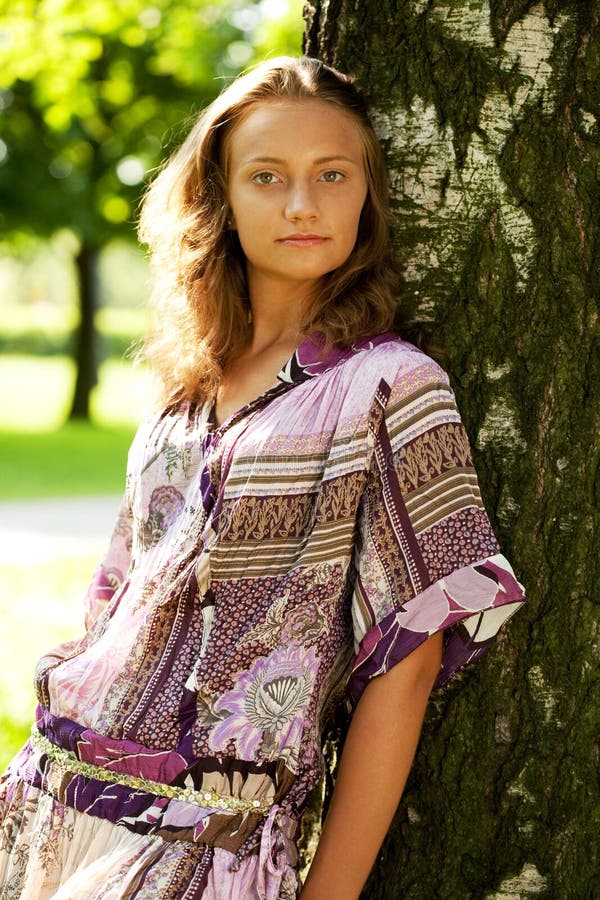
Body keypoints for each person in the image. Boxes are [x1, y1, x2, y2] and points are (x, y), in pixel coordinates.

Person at [0, 56, 526, 899]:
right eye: (267, 176)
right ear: (223, 199)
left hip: (203, 842)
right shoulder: (186, 383)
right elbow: (117, 597)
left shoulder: (391, 386)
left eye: (332, 175)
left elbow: (409, 663)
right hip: (50, 797)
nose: (302, 204)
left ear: (367, 194)